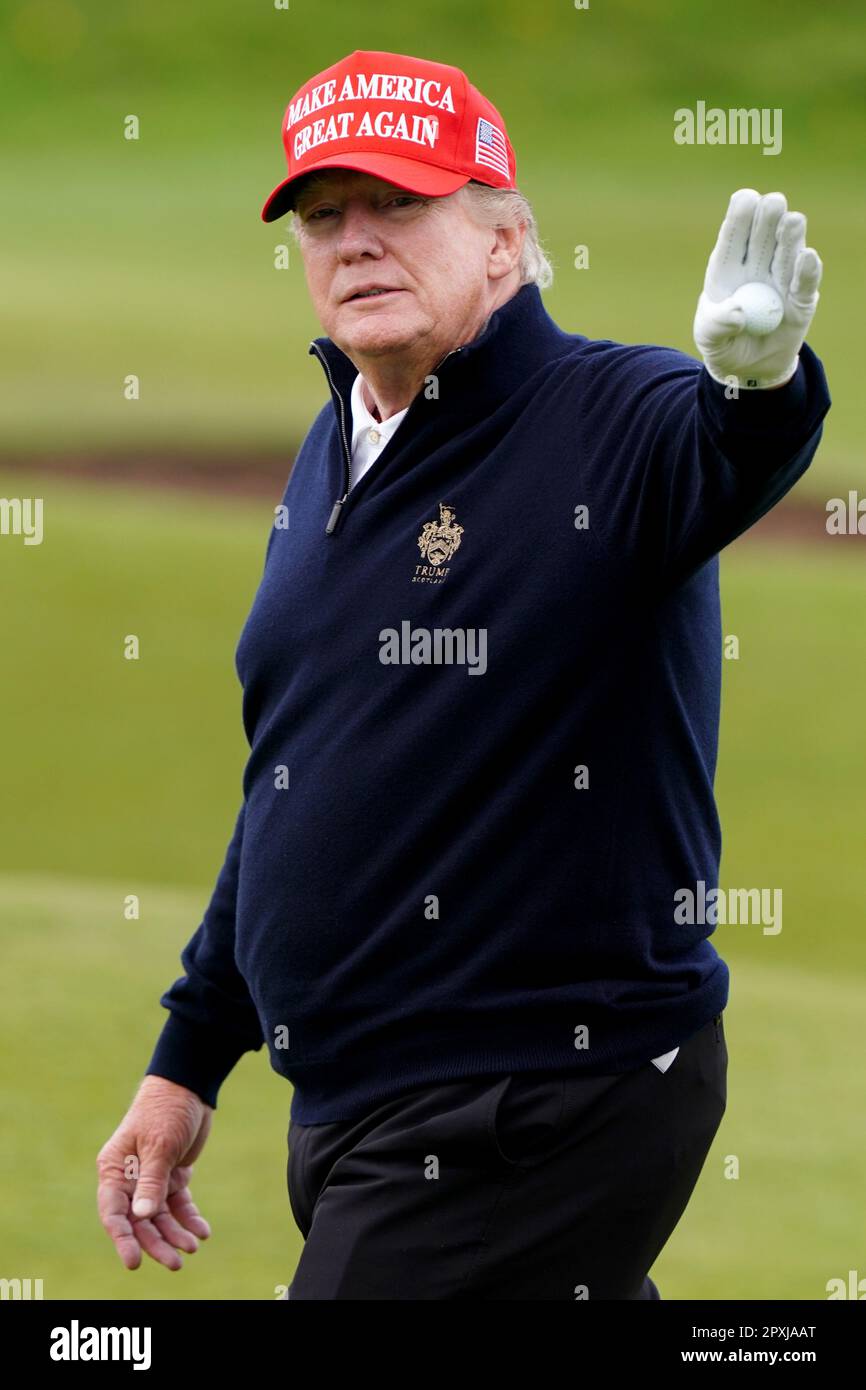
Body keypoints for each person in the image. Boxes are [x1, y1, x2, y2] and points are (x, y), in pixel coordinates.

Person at [97, 49, 830, 1299]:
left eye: (400, 206)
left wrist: (755, 386)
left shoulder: (609, 412)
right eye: (325, 218)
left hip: (535, 1093)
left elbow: (716, 449)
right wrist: (186, 1056)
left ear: (503, 239)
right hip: (363, 1102)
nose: (356, 242)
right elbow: (294, 779)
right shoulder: (338, 449)